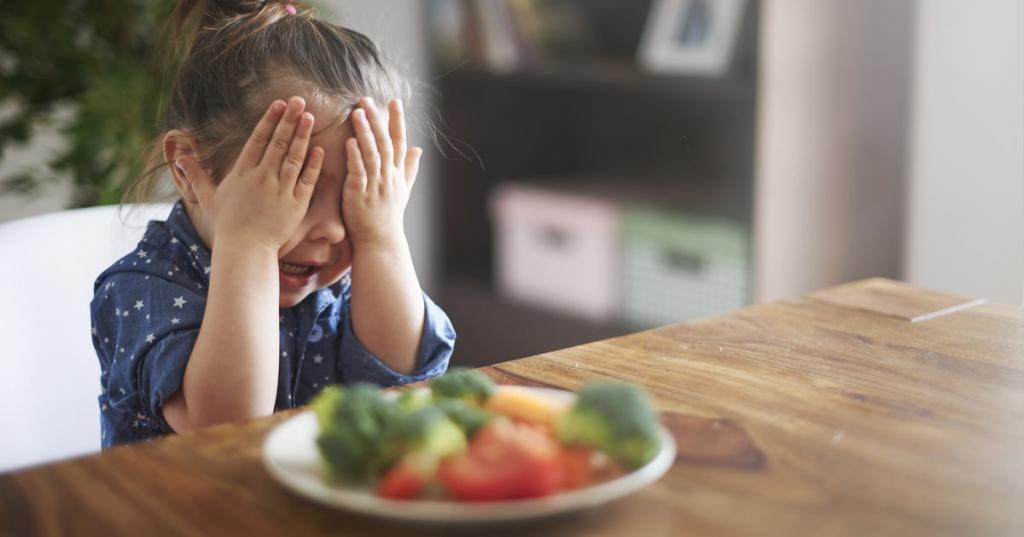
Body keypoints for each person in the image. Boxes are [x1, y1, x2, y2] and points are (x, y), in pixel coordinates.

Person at [90, 0, 455, 447]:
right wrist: (249, 244)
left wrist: (380, 236)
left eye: (352, 198)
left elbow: (403, 378)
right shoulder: (144, 287)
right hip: (179, 512)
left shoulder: (342, 276)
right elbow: (227, 426)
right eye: (295, 191)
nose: (333, 230)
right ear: (190, 171)